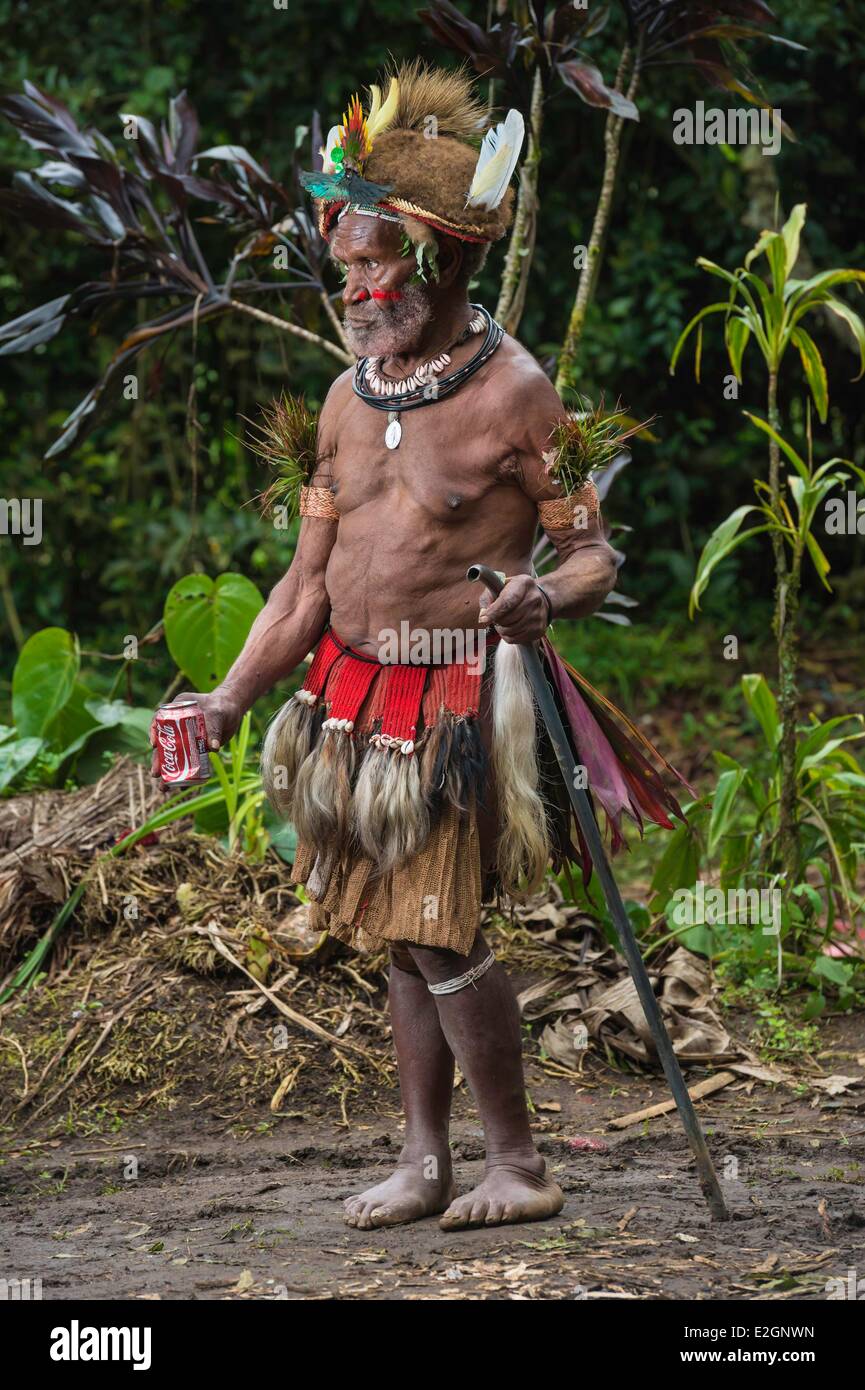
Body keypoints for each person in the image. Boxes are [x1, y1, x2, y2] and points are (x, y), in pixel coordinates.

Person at [152, 62, 684, 1232]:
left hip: (453, 702)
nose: (351, 288)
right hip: (349, 701)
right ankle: (428, 1160)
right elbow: (303, 587)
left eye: (370, 264)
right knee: (397, 940)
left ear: (438, 262)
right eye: (343, 266)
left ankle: (521, 1161)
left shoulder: (521, 397)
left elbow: (593, 555)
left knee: (435, 926)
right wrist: (230, 698)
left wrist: (545, 599)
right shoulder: (346, 400)